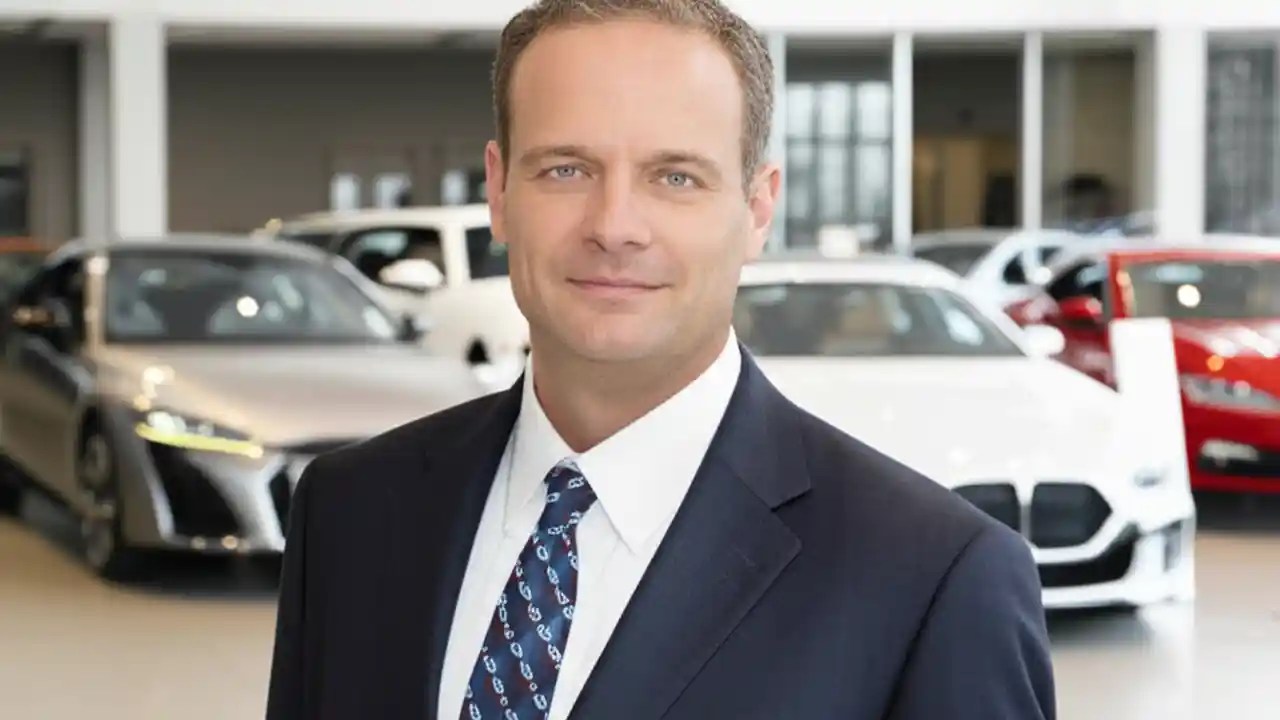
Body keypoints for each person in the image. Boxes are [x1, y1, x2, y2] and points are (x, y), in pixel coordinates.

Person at [265, 1, 1057, 718]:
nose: (615, 225)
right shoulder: (350, 511)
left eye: (675, 177)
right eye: (566, 169)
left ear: (756, 211)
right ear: (501, 193)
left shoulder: (933, 579)